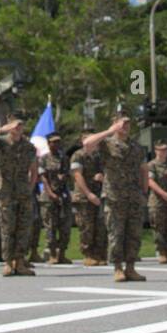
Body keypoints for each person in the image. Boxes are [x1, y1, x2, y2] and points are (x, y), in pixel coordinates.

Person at [84, 112, 148, 282]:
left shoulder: (136, 147)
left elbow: (143, 169)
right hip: (114, 197)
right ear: (115, 124)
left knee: (133, 234)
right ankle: (118, 268)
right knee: (116, 234)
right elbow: (87, 144)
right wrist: (108, 131)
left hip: (134, 196)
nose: (126, 126)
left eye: (128, 123)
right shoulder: (107, 144)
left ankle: (131, 267)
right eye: (122, 123)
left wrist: (144, 191)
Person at [0, 117, 38, 277]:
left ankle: (20, 261)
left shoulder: (29, 147)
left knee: (23, 227)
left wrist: (29, 188)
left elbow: (34, 171)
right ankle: (8, 263)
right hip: (5, 191)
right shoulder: (1, 142)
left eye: (20, 125)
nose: (17, 128)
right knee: (7, 227)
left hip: (23, 191)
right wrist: (2, 129)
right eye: (15, 125)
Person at [70, 131, 107, 266]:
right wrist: (88, 194)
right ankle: (88, 254)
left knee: (100, 226)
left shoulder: (99, 156)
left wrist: (102, 177)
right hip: (84, 197)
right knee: (86, 227)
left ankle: (99, 254)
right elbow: (77, 176)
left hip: (99, 195)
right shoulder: (78, 155)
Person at [38, 133, 72, 264]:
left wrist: (64, 177)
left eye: (58, 142)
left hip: (63, 195)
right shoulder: (44, 158)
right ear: (48, 143)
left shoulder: (64, 158)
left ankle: (62, 253)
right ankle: (52, 253)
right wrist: (50, 193)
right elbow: (43, 178)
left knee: (65, 226)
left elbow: (70, 174)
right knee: (50, 226)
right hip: (48, 197)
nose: (57, 144)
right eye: (54, 142)